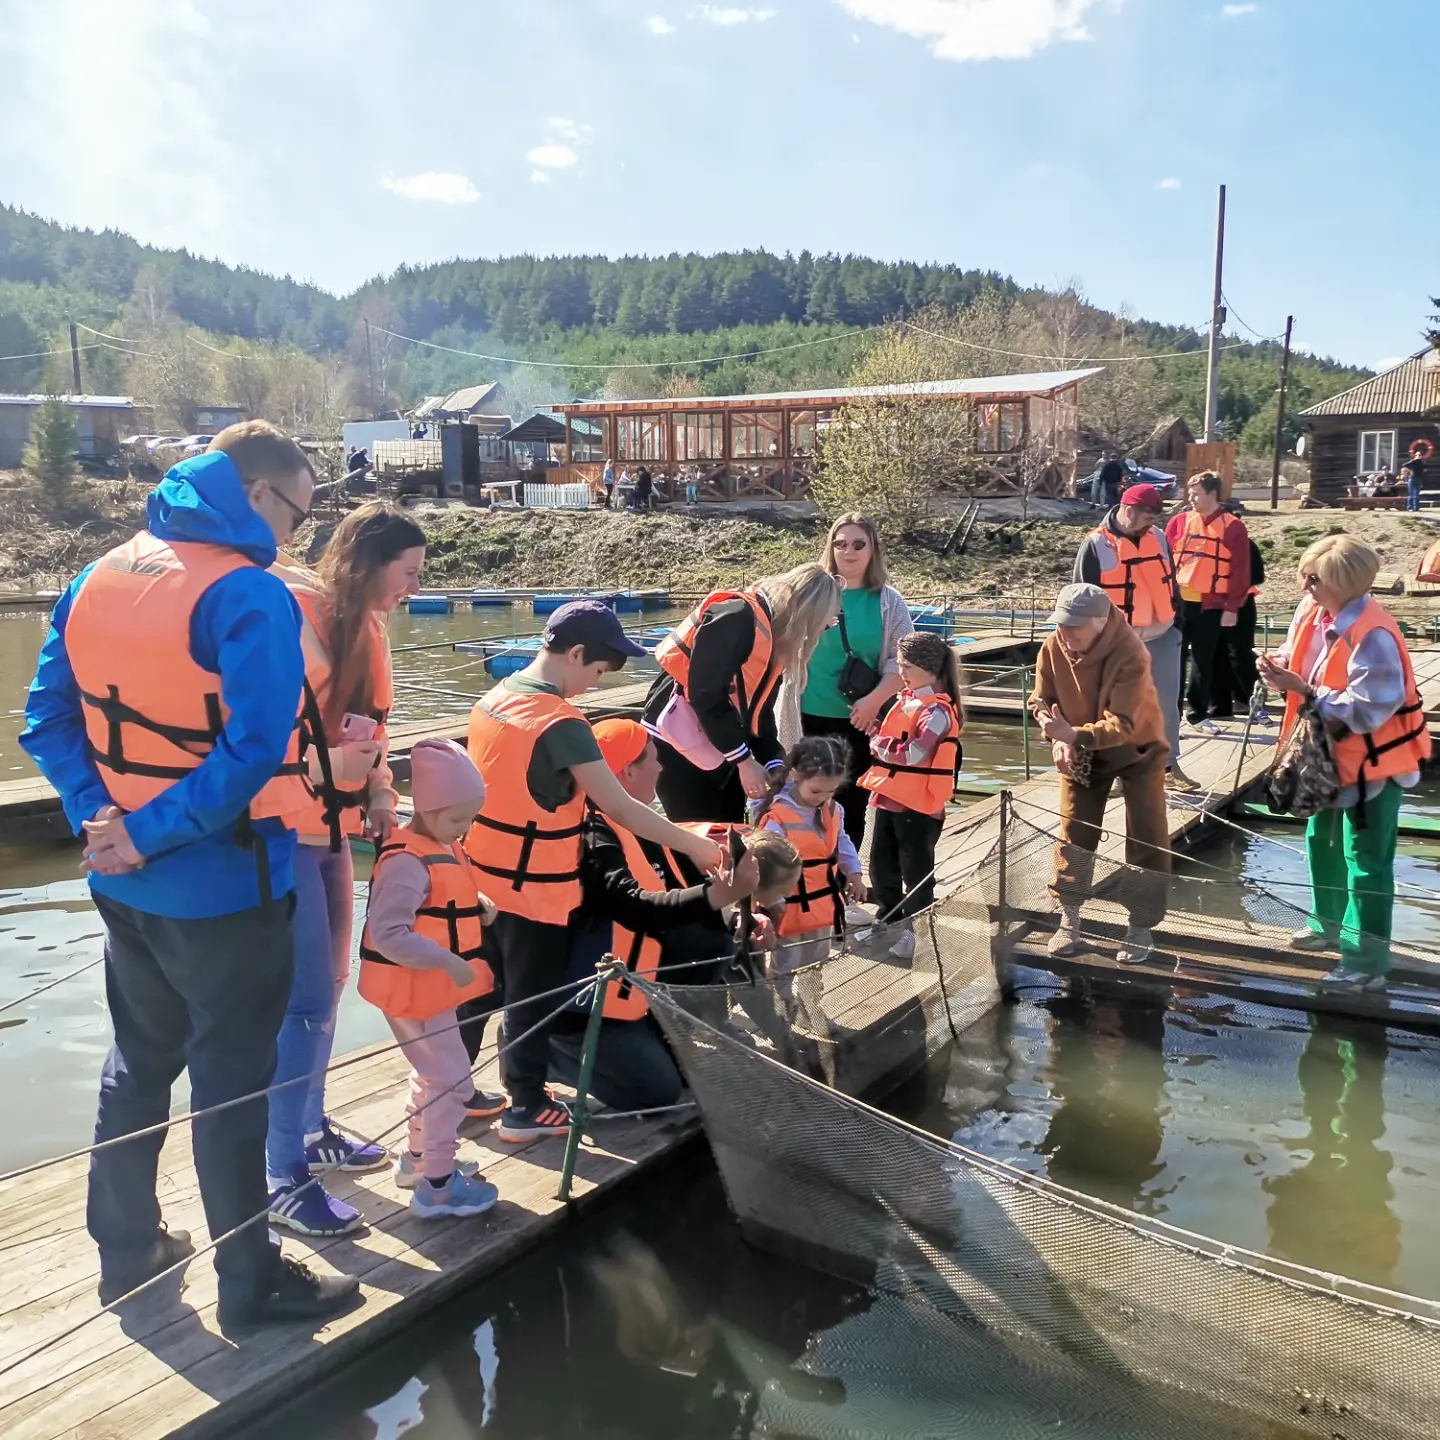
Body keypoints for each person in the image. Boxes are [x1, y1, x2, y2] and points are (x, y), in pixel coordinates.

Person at [19, 422, 359, 1331]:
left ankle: (127, 1251)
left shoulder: (99, 574)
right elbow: (252, 751)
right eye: (299, 510)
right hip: (223, 889)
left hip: (123, 887)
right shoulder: (249, 595)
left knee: (137, 1064)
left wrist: (104, 822)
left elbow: (44, 721)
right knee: (231, 1082)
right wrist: (146, 832)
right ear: (256, 497)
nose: (298, 532)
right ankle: (249, 1283)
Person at [464, 601, 724, 1142]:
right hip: (534, 888)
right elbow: (623, 808)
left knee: (480, 989)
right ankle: (525, 1107)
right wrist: (694, 849)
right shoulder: (562, 722)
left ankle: (459, 1089)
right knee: (528, 996)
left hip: (482, 876)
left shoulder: (496, 698)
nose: (593, 685)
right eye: (598, 672)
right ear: (576, 653)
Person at [262, 504, 425, 1238]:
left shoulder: (368, 629)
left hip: (329, 830)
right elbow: (262, 735)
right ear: (366, 561)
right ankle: (281, 1176)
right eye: (409, 572)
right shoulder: (295, 617)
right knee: (297, 1004)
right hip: (283, 831)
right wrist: (330, 770)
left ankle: (309, 1127)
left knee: (326, 990)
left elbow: (372, 729)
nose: (413, 588)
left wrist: (382, 792)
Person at [550, 719, 773, 1112]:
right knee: (657, 1094)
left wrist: (742, 919)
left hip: (640, 979)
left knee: (715, 941)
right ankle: (549, 1051)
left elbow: (693, 905)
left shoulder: (654, 830)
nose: (662, 767)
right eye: (653, 758)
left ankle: (665, 1032)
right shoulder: (592, 836)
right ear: (627, 771)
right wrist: (718, 893)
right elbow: (637, 910)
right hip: (589, 997)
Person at [1258, 537, 1430, 992]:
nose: (1304, 584)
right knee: (1322, 840)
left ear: (1342, 584)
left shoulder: (1373, 635)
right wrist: (1277, 669)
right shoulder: (1311, 612)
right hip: (1325, 757)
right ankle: (1326, 925)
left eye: (1314, 579)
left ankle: (1366, 962)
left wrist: (1307, 690)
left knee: (1368, 862)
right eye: (1305, 575)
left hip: (1374, 764)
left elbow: (1371, 708)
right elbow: (1299, 659)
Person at [355, 739, 500, 1218]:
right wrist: (448, 960)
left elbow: (439, 900)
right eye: (459, 819)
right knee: (452, 1082)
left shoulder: (439, 844)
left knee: (431, 1074)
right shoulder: (404, 860)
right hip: (414, 989)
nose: (466, 829)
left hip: (426, 992)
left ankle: (418, 1160)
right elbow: (389, 931)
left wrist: (475, 906)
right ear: (430, 808)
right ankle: (437, 1185)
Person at [1029, 583, 1171, 966]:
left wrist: (1073, 735)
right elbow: (1040, 700)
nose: (1066, 632)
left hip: (1136, 749)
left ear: (1101, 621)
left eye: (1075, 625)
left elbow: (1123, 724)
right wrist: (1056, 736)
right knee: (1074, 833)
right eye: (1061, 623)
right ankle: (1070, 918)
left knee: (1147, 836)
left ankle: (1141, 926)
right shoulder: (1053, 646)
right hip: (1079, 744)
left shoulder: (1131, 654)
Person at [645, 565, 841, 824]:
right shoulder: (735, 616)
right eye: (818, 626)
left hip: (723, 744)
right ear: (804, 614)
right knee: (699, 837)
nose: (813, 636)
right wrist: (745, 762)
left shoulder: (774, 637)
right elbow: (705, 694)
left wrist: (774, 763)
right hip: (678, 740)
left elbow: (759, 710)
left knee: (733, 831)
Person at [778, 512, 914, 866]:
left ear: (872, 549)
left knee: (850, 802)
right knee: (798, 795)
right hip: (805, 712)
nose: (848, 552)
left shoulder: (888, 600)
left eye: (858, 544)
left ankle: (843, 880)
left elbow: (903, 660)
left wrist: (874, 701)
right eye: (839, 544)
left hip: (860, 718)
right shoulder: (813, 592)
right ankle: (801, 876)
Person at [1074, 482, 1196, 792]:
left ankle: (1168, 768)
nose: (1151, 524)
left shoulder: (1157, 537)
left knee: (1167, 705)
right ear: (1129, 511)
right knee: (1115, 707)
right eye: (1147, 517)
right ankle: (1113, 772)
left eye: (1155, 518)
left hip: (1163, 636)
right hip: (1118, 643)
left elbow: (1172, 585)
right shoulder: (1095, 545)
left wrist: (1179, 624)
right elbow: (1080, 598)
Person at [857, 631, 963, 959]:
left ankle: (919, 933)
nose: (900, 672)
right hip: (889, 798)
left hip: (918, 808)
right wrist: (876, 730)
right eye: (900, 665)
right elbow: (897, 746)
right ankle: (888, 921)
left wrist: (877, 744)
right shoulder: (907, 700)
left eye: (906, 666)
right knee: (880, 867)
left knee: (916, 874)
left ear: (928, 668)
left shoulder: (938, 712)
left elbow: (914, 754)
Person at [754, 737, 865, 1032]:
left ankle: (811, 1010)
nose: (822, 797)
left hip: (822, 903)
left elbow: (842, 842)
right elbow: (763, 863)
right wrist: (770, 902)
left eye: (830, 791)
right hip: (787, 905)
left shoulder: (833, 809)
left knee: (816, 961)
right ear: (795, 775)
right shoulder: (776, 817)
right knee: (785, 963)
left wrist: (854, 873)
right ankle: (780, 1016)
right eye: (816, 790)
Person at [1166, 472, 1250, 729]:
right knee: (1173, 660)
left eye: (1196, 493)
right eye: (1190, 493)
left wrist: (1232, 608)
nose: (1190, 498)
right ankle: (1172, 715)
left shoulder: (1233, 526)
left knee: (1204, 660)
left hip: (1210, 606)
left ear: (1212, 494)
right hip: (1178, 605)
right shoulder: (1179, 521)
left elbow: (1240, 571)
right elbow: (1164, 561)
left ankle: (1198, 713)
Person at [1207, 535, 1265, 721]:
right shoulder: (1204, 543)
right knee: (1214, 653)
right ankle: (1218, 704)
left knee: (1239, 652)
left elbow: (1257, 575)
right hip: (1210, 603)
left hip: (1241, 603)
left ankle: (1247, 702)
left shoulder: (1245, 544)